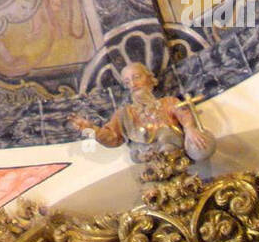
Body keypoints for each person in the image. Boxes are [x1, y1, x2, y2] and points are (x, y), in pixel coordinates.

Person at [72, 62, 215, 165]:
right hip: (150, 166)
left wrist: (190, 129)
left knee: (167, 134)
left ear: (149, 79)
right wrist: (92, 130)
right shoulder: (123, 114)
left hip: (175, 158)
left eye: (136, 77)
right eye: (127, 82)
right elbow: (112, 137)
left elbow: (183, 113)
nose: (133, 84)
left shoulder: (168, 102)